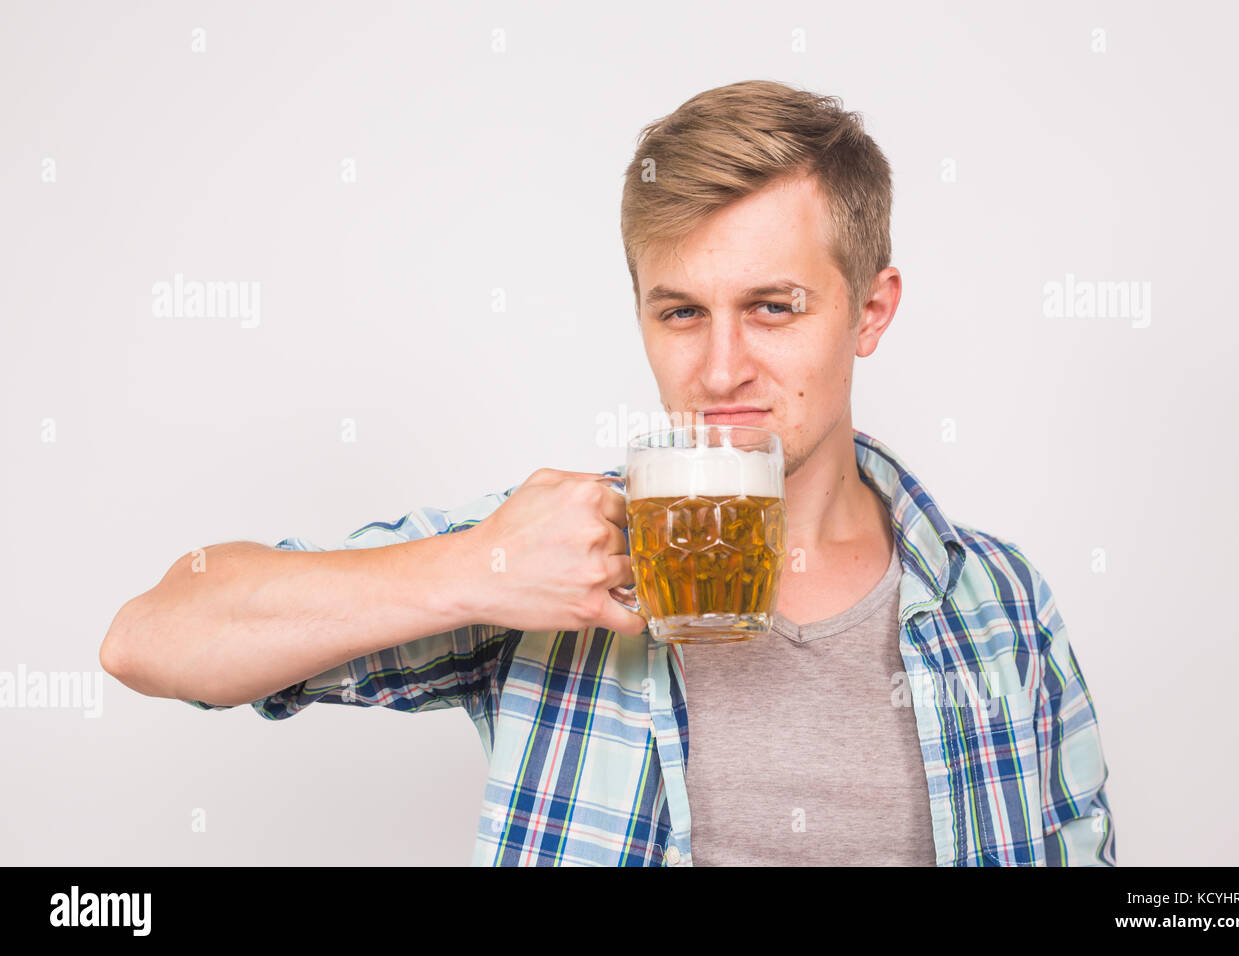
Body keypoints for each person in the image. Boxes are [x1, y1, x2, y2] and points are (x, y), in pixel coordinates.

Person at [100, 79, 1115, 867]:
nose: (718, 369)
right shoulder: (547, 553)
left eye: (773, 306)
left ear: (871, 310)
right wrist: (475, 567)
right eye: (680, 311)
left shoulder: (1001, 604)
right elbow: (154, 636)